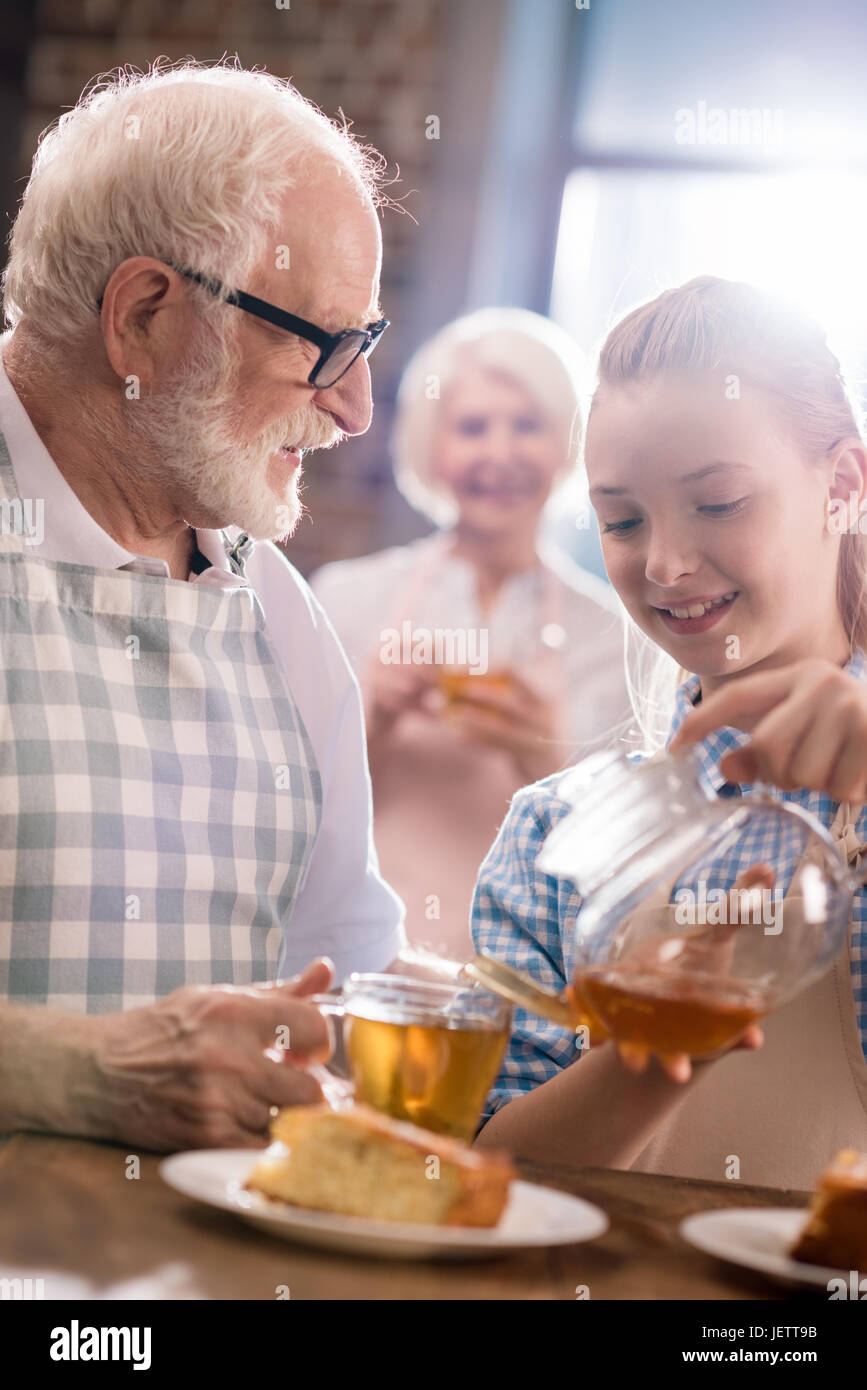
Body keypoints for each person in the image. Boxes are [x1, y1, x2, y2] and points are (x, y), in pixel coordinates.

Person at [0, 59, 412, 1151]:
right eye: (321, 342)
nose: (357, 406)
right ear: (142, 316)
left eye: (366, 341)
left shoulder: (280, 615)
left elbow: (346, 978)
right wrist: (70, 1072)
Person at [473, 275, 867, 1189]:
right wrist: (656, 1045)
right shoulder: (557, 835)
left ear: (842, 483)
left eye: (718, 502)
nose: (664, 564)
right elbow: (484, 1180)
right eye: (621, 520)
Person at [311, 309, 630, 957]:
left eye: (527, 425)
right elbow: (284, 812)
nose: (499, 453)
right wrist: (368, 712)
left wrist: (548, 755)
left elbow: (628, 861)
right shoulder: (345, 597)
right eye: (472, 427)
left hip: (525, 977)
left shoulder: (616, 636)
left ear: (568, 442)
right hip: (358, 958)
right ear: (432, 446)